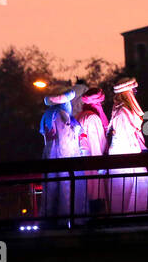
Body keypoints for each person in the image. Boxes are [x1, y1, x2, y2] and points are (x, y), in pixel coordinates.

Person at [107, 78, 148, 214]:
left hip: (130, 155)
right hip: (126, 157)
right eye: (132, 91)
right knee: (127, 190)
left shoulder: (124, 112)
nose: (134, 93)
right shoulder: (122, 113)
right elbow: (124, 137)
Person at [40, 88, 87, 218]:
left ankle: (51, 217)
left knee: (52, 188)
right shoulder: (61, 114)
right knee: (66, 188)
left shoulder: (48, 114)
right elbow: (65, 139)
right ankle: (69, 218)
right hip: (65, 156)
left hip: (51, 156)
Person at [78, 87, 110, 213]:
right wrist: (100, 165)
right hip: (93, 165)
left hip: (82, 164)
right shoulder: (93, 118)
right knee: (95, 194)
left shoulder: (80, 115)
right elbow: (95, 143)